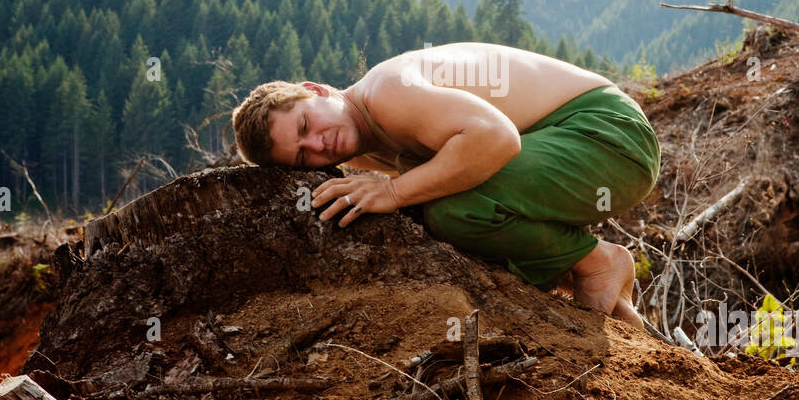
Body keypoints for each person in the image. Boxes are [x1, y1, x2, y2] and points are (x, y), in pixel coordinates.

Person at [231, 42, 661, 328]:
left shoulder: (386, 93)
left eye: (307, 123)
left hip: (607, 136)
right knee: (435, 205)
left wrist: (393, 192)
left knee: (450, 209)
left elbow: (496, 139)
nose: (320, 143)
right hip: (574, 147)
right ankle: (599, 295)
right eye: (303, 155)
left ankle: (596, 262)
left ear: (316, 90)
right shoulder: (362, 146)